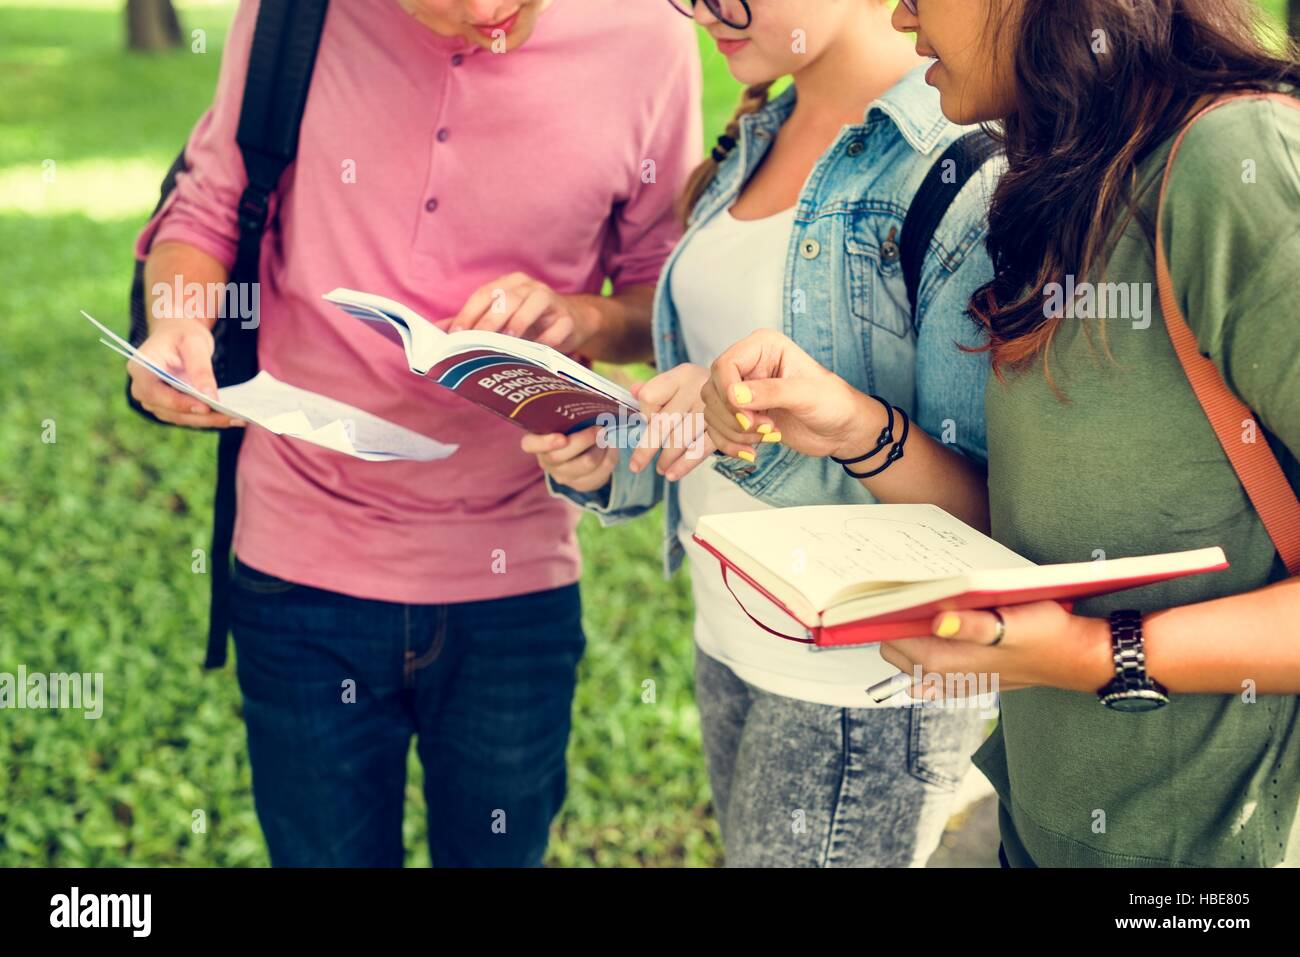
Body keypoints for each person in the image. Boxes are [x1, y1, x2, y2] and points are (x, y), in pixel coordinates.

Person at [701, 0, 1300, 867]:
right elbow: (1034, 525)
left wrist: (1100, 653)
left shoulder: (1231, 161)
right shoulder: (1064, 173)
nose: (900, 12)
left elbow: (1084, 633)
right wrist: (856, 428)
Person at [129, 0, 701, 866]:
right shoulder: (292, 15)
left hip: (515, 578)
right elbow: (209, 206)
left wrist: (578, 317)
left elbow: (660, 296)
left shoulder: (650, 35)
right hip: (297, 563)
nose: (485, 11)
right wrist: (179, 322)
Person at [525, 0, 1000, 867]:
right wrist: (614, 456)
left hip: (859, 680)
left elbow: (980, 514)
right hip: (732, 633)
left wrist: (746, 421)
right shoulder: (763, 125)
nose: (703, 11)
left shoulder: (955, 161)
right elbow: (706, 403)